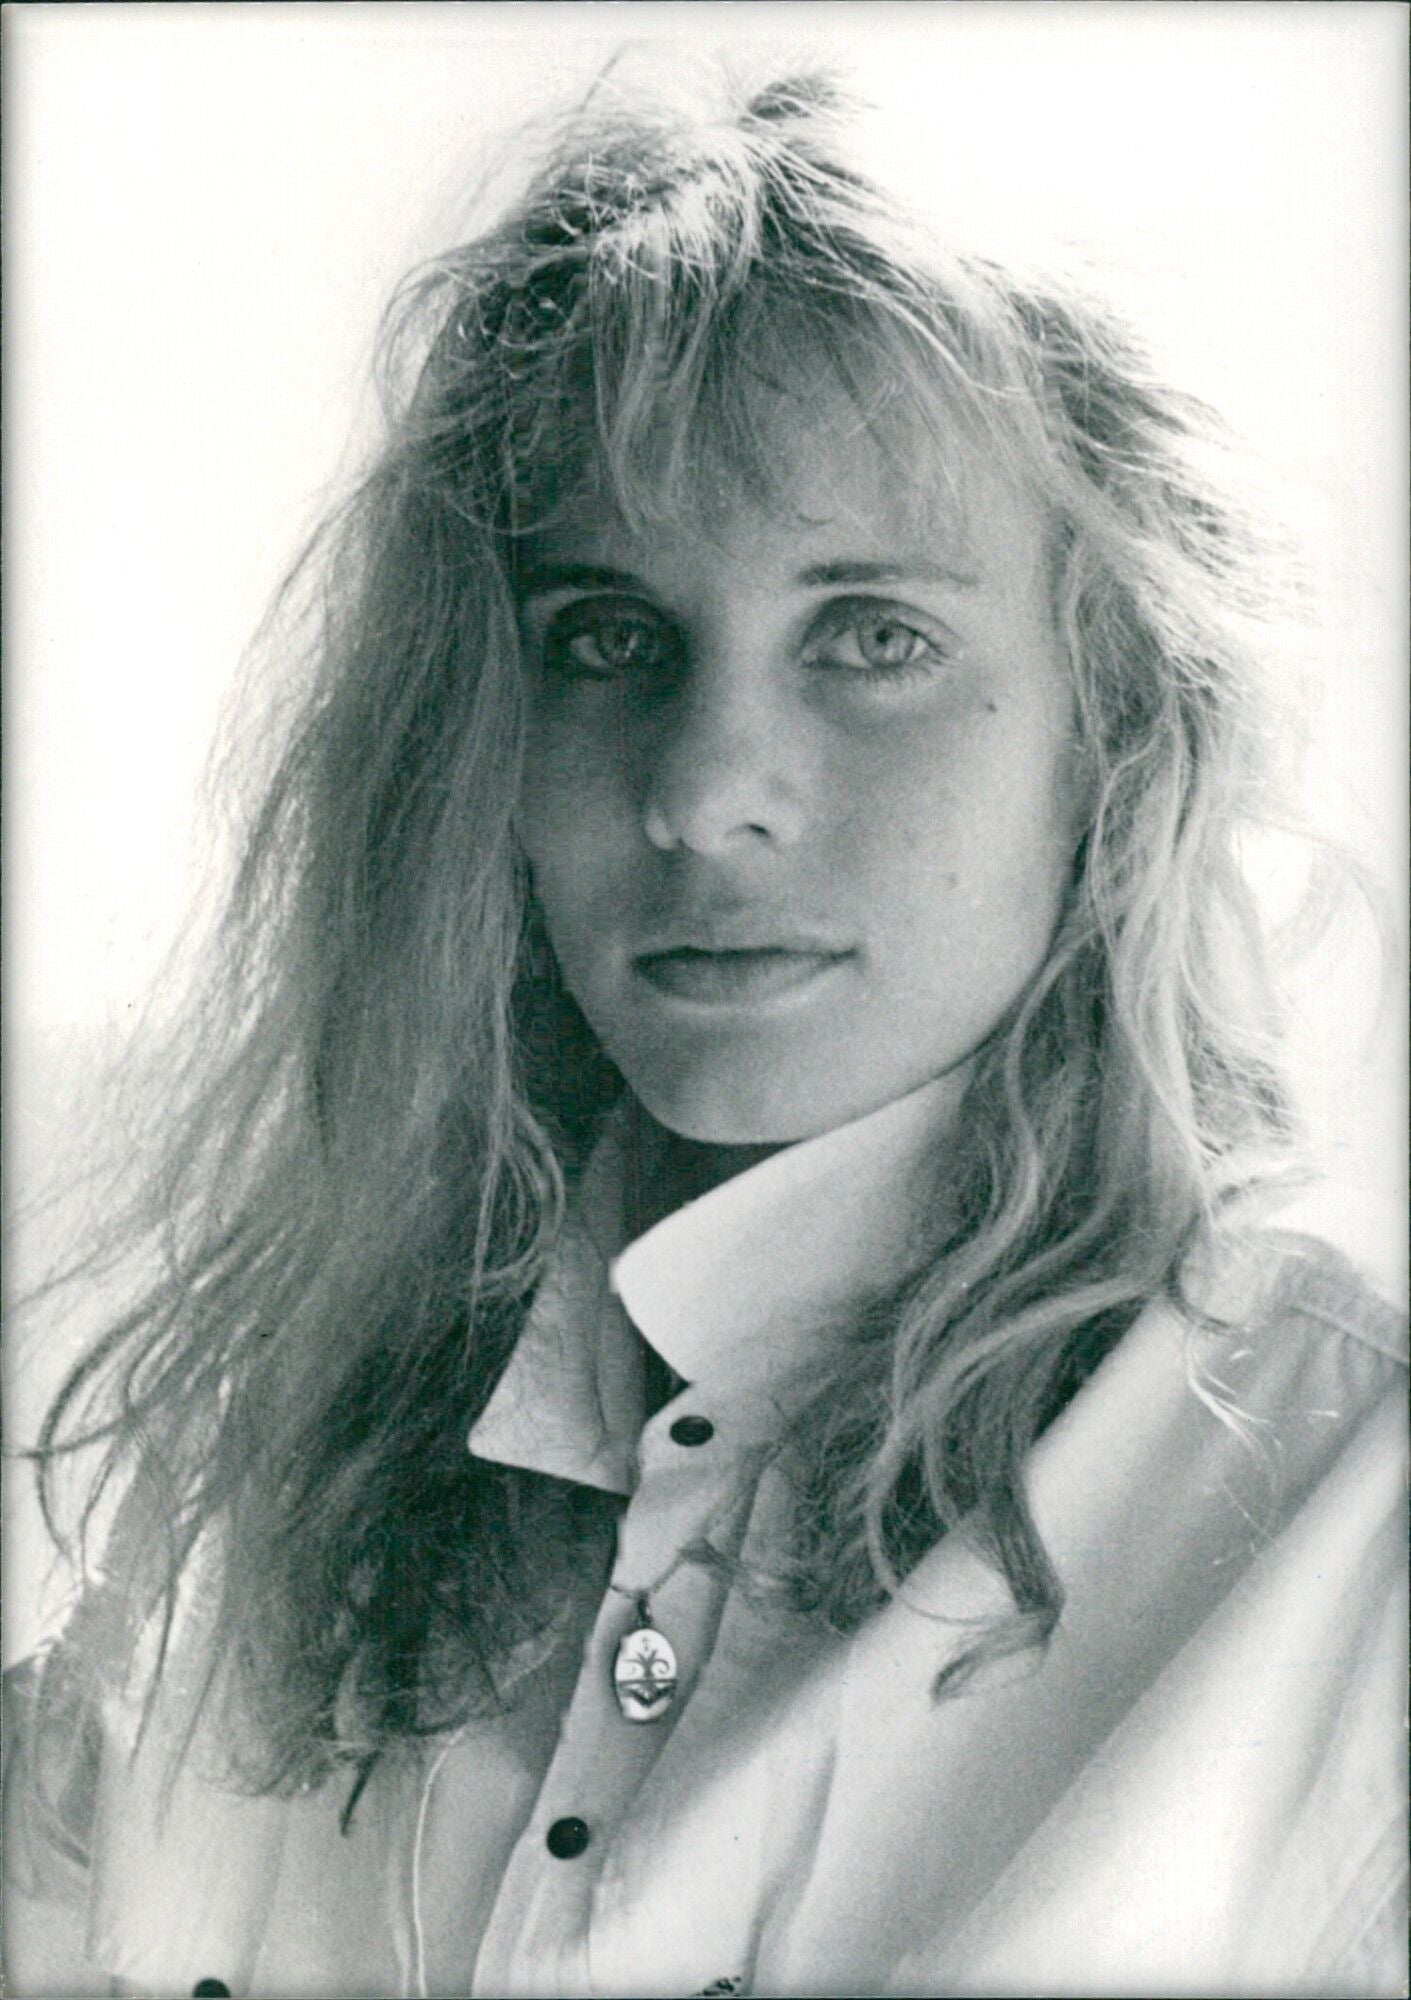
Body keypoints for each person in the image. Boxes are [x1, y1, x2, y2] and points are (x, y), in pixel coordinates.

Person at [4, 61, 1403, 2000]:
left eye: (872, 636)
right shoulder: (271, 1476)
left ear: (1121, 721)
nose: (703, 791)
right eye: (605, 636)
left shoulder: (1353, 1502)